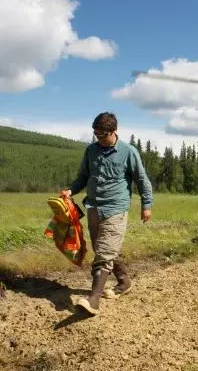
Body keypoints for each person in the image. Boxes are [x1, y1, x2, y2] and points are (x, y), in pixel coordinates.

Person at [62, 112, 153, 315]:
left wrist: (146, 205)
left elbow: (142, 180)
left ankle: (93, 299)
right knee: (106, 249)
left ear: (114, 131)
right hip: (93, 207)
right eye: (95, 135)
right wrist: (71, 190)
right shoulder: (91, 151)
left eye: (102, 135)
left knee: (104, 252)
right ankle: (124, 282)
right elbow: (83, 177)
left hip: (116, 209)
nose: (99, 139)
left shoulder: (128, 152)